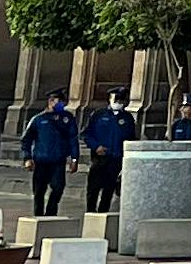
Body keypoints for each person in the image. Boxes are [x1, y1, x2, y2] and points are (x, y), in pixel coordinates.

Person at [18, 92, 79, 220]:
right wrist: (27, 158)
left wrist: (74, 158)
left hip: (58, 161)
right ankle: (38, 216)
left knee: (58, 188)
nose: (62, 104)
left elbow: (73, 139)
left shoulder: (67, 119)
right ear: (51, 101)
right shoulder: (39, 119)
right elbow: (26, 140)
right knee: (39, 191)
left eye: (63, 102)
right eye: (59, 101)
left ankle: (51, 213)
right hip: (41, 161)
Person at [77, 89, 127, 218]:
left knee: (109, 190)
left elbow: (130, 138)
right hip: (99, 159)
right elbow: (86, 134)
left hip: (116, 159)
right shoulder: (98, 115)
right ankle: (90, 213)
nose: (118, 103)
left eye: (120, 100)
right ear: (110, 100)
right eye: (115, 100)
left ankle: (102, 216)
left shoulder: (127, 118)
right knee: (93, 189)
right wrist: (95, 146)